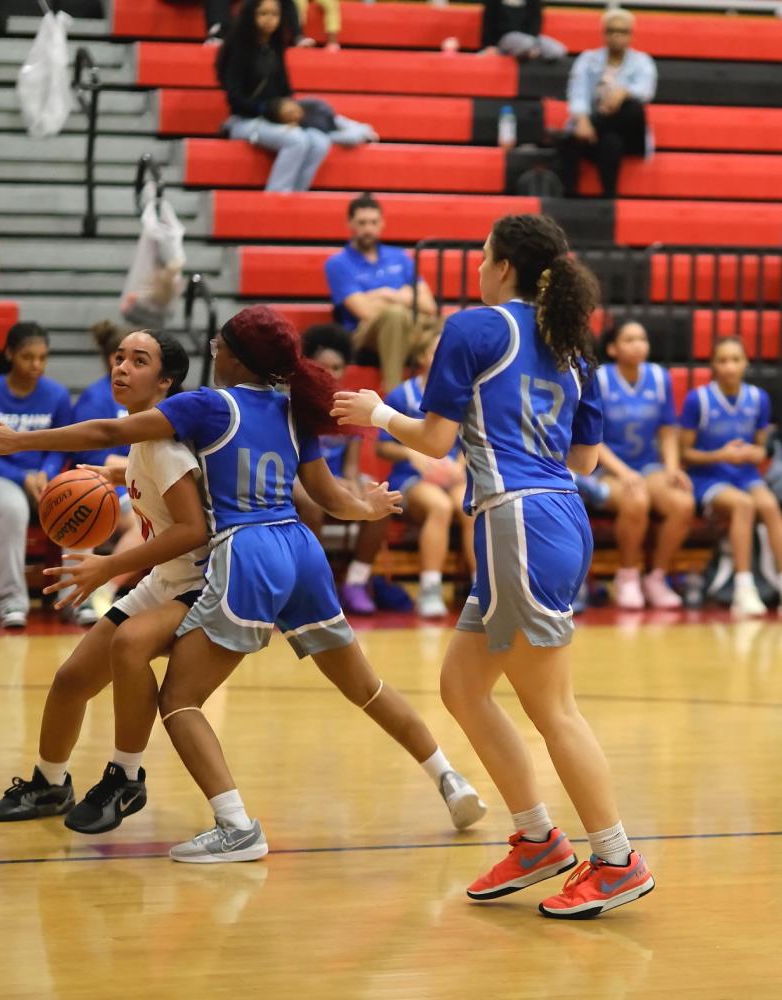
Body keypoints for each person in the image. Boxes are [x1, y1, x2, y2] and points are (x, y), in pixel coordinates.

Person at [0, 306, 487, 858]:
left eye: (219, 343)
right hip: (300, 551)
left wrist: (20, 445)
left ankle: (224, 820)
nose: (213, 350)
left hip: (246, 555)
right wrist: (366, 511)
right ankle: (450, 778)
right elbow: (325, 495)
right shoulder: (290, 409)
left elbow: (112, 430)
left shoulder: (209, 405)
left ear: (234, 357)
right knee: (365, 686)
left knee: (181, 698)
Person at [333, 214, 654, 920]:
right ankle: (537, 839)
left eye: (482, 255)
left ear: (503, 265)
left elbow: (437, 439)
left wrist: (379, 412)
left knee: (552, 708)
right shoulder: (572, 347)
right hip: (558, 515)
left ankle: (615, 857)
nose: (477, 266)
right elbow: (584, 462)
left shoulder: (475, 328)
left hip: (515, 521)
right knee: (461, 684)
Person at [0, 331, 210, 832]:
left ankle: (126, 776)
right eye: (120, 358)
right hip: (163, 581)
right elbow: (121, 449)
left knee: (128, 650)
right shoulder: (140, 431)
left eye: (139, 361)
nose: (122, 367)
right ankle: (49, 783)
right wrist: (114, 477)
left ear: (165, 381)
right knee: (70, 681)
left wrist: (108, 567)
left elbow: (195, 530)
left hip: (197, 584)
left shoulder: (164, 444)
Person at [0, 322, 73, 629]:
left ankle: (76, 598)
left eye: (43, 357)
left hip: (38, 478)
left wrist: (46, 473)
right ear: (10, 354)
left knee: (79, 501)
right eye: (28, 357)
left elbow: (60, 445)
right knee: (14, 507)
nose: (36, 365)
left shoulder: (58, 395)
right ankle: (11, 601)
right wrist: (20, 477)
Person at [589, 321, 694, 609]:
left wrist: (672, 467)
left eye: (642, 339)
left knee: (682, 502)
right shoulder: (599, 378)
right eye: (630, 339)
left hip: (648, 466)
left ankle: (656, 577)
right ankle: (627, 576)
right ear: (613, 348)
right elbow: (590, 437)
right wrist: (622, 472)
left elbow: (668, 430)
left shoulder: (660, 378)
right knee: (636, 500)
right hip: (606, 469)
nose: (638, 345)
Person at [376, 327, 476, 618]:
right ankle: (430, 588)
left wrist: (458, 467)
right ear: (421, 356)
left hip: (453, 475)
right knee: (440, 506)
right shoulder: (402, 395)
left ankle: (480, 589)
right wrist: (411, 452)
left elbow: (472, 440)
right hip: (411, 478)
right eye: (436, 351)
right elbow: (382, 448)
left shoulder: (462, 394)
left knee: (470, 506)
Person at [679, 337, 782, 617]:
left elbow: (762, 451)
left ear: (745, 363)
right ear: (712, 364)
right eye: (723, 360)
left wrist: (753, 452)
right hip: (708, 478)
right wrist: (720, 455)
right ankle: (743, 587)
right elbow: (684, 453)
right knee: (744, 505)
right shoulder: (697, 399)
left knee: (771, 507)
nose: (729, 366)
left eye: (735, 359)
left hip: (746, 475)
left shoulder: (758, 398)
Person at [293, 323, 390, 615]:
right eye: (323, 366)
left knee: (380, 497)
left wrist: (359, 493)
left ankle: (356, 582)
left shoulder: (350, 404)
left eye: (337, 367)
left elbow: (350, 468)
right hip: (295, 476)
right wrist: (331, 485)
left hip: (336, 476)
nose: (330, 373)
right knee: (311, 502)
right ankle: (309, 584)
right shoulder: (294, 402)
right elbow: (296, 464)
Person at [325, 192, 439, 394]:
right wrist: (404, 297)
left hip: (410, 328)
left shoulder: (400, 257)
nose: (368, 229)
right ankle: (394, 395)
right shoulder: (338, 263)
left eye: (373, 222)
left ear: (382, 223)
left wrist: (385, 294)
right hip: (364, 335)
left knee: (451, 324)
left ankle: (444, 400)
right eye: (362, 223)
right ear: (350, 224)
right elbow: (365, 311)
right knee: (395, 315)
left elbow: (429, 305)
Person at [217, 0, 331, 192]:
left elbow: (284, 90)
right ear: (251, 15)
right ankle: (277, 198)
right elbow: (234, 98)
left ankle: (295, 199)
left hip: (274, 119)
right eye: (263, 14)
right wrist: (267, 110)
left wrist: (289, 111)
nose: (269, 20)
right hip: (245, 120)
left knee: (320, 142)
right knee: (297, 140)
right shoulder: (238, 46)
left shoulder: (276, 46)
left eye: (274, 14)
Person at [71, 321, 145, 604]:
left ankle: (107, 590)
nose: (128, 366)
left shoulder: (142, 396)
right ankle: (80, 598)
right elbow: (85, 455)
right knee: (79, 511)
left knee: (148, 523)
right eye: (121, 358)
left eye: (137, 359)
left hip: (133, 487)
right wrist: (127, 462)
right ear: (110, 360)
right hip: (101, 484)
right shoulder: (95, 397)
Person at [558, 8, 656, 198]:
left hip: (630, 133)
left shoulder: (642, 61)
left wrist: (624, 92)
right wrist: (583, 120)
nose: (616, 36)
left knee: (633, 108)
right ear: (604, 34)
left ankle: (577, 134)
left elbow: (646, 91)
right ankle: (596, 197)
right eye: (611, 31)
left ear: (631, 35)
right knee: (611, 141)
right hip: (602, 133)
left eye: (622, 31)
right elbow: (577, 92)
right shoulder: (588, 59)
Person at [479, 0, 565, 61]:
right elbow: (488, 22)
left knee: (557, 49)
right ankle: (528, 51)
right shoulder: (494, 1)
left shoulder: (533, 1)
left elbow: (535, 22)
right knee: (526, 43)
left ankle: (532, 53)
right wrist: (489, 45)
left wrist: (534, 43)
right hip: (505, 38)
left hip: (529, 38)